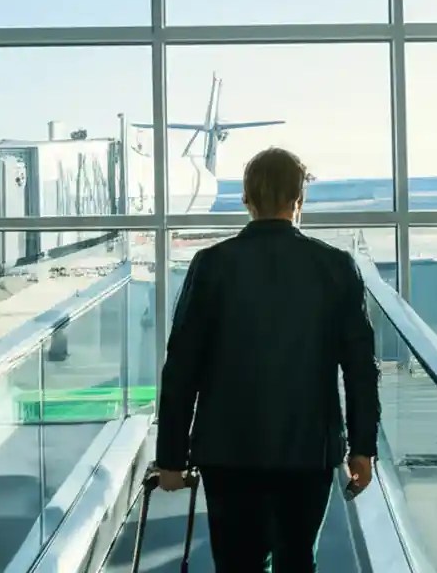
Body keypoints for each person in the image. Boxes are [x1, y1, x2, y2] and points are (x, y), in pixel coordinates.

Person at [155, 146, 382, 572]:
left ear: (246, 199)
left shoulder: (211, 265)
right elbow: (359, 368)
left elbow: (182, 367)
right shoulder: (335, 267)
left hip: (227, 451)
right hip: (307, 451)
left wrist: (171, 457)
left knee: (237, 564)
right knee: (297, 559)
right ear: (300, 199)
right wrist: (362, 446)